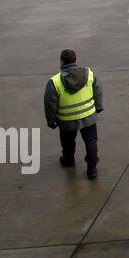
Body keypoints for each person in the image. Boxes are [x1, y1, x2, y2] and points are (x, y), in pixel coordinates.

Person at [43, 49, 103, 180]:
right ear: (75, 60)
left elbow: (50, 103)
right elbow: (98, 90)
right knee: (91, 142)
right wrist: (98, 107)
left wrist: (51, 121)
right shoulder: (89, 74)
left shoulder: (55, 81)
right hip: (88, 117)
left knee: (68, 142)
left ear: (61, 61)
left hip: (66, 120)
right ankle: (92, 169)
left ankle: (68, 160)